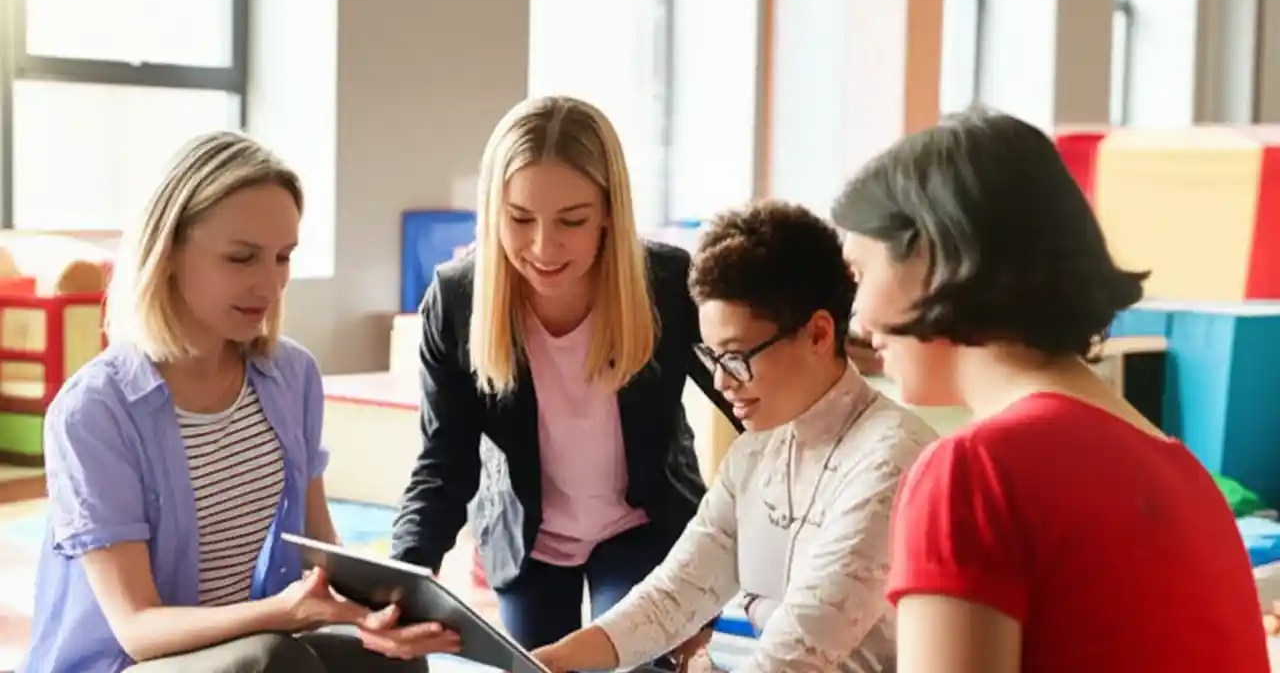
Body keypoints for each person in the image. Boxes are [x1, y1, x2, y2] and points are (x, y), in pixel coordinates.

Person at [833, 109, 1270, 673]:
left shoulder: (974, 473)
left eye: (859, 274)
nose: (858, 319)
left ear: (932, 259)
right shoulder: (1185, 477)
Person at [23, 132, 456, 673]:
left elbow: (322, 549)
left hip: (244, 644)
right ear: (170, 253)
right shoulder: (95, 410)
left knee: (391, 664)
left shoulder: (291, 375)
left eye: (283, 258)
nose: (269, 285)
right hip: (127, 663)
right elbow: (136, 629)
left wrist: (388, 615)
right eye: (242, 258)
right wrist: (278, 613)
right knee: (272, 659)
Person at [380, 96, 739, 662]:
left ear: (608, 212)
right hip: (529, 542)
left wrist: (715, 573)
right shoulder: (456, 301)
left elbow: (752, 403)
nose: (544, 248)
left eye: (571, 221)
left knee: (633, 659)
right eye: (520, 220)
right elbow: (444, 462)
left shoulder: (667, 284)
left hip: (644, 525)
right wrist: (400, 581)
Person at [530, 200, 938, 673]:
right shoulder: (756, 451)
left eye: (737, 356)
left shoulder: (890, 459)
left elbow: (797, 651)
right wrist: (549, 661)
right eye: (711, 358)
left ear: (819, 334)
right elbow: (673, 596)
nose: (722, 383)